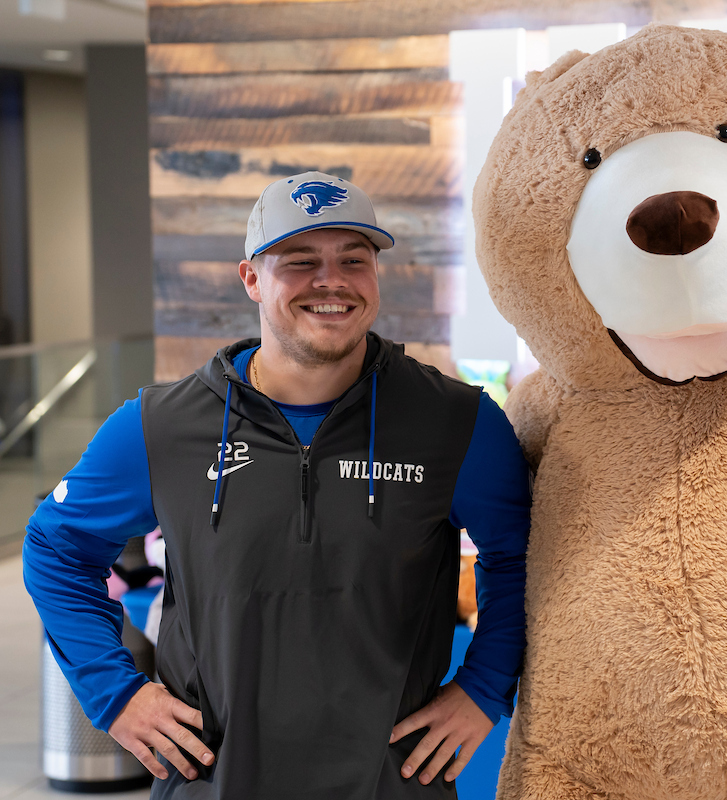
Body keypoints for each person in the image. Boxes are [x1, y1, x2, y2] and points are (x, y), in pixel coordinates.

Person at [23, 172, 531, 799]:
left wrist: (483, 688)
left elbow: (520, 557)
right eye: (300, 261)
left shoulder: (458, 422)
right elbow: (54, 548)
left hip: (390, 784)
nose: (332, 281)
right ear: (251, 279)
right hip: (214, 782)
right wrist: (116, 694)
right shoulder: (161, 427)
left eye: (355, 259)